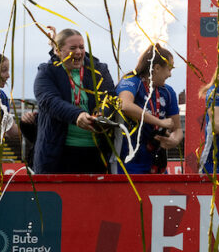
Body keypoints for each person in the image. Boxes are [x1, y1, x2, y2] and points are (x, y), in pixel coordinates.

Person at [33, 28, 117, 174]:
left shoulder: (99, 70)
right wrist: (77, 115)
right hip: (58, 154)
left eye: (81, 47)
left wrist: (101, 114)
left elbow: (109, 97)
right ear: (57, 51)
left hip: (96, 153)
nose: (78, 52)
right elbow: (50, 101)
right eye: (72, 48)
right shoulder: (47, 71)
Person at [116, 44, 182, 174]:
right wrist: (159, 122)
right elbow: (125, 105)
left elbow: (177, 129)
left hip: (155, 161)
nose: (170, 75)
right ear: (157, 68)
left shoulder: (168, 92)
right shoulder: (131, 81)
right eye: (169, 69)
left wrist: (174, 140)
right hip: (128, 161)